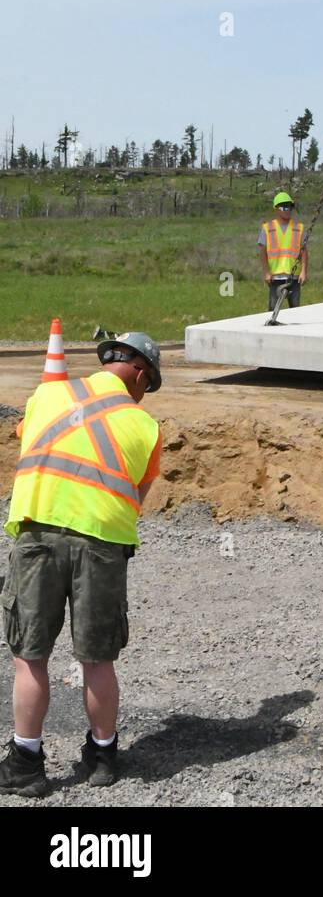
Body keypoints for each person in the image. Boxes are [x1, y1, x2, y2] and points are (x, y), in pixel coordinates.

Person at [0, 331, 162, 798]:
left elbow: (27, 440)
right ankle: (103, 756)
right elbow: (135, 499)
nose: (143, 396)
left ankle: (26, 763)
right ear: (137, 370)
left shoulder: (47, 394)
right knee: (97, 658)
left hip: (37, 538)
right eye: (146, 386)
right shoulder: (146, 429)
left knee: (30, 658)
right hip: (103, 545)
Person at [258, 192, 308, 311]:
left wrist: (304, 272)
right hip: (275, 277)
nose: (287, 210)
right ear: (276, 209)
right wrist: (266, 272)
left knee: (295, 310)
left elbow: (304, 251)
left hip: (294, 277)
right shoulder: (267, 228)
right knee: (273, 310)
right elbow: (262, 251)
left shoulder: (299, 227)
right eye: (284, 207)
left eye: (289, 207)